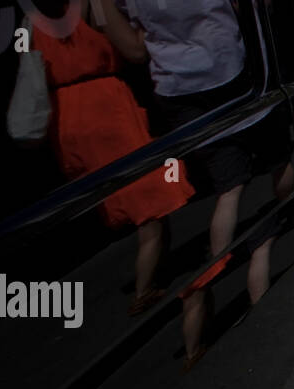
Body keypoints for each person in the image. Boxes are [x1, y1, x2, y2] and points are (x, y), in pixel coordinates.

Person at [107, 0, 258, 371]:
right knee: (232, 185)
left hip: (174, 86)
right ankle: (207, 278)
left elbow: (133, 48)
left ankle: (208, 275)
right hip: (224, 70)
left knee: (215, 175)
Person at [29, 0, 194, 315]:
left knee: (133, 198)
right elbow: (134, 52)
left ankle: (159, 269)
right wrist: (145, 24)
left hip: (66, 119)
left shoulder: (30, 22)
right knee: (151, 201)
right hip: (106, 112)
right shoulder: (95, 4)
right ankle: (144, 291)